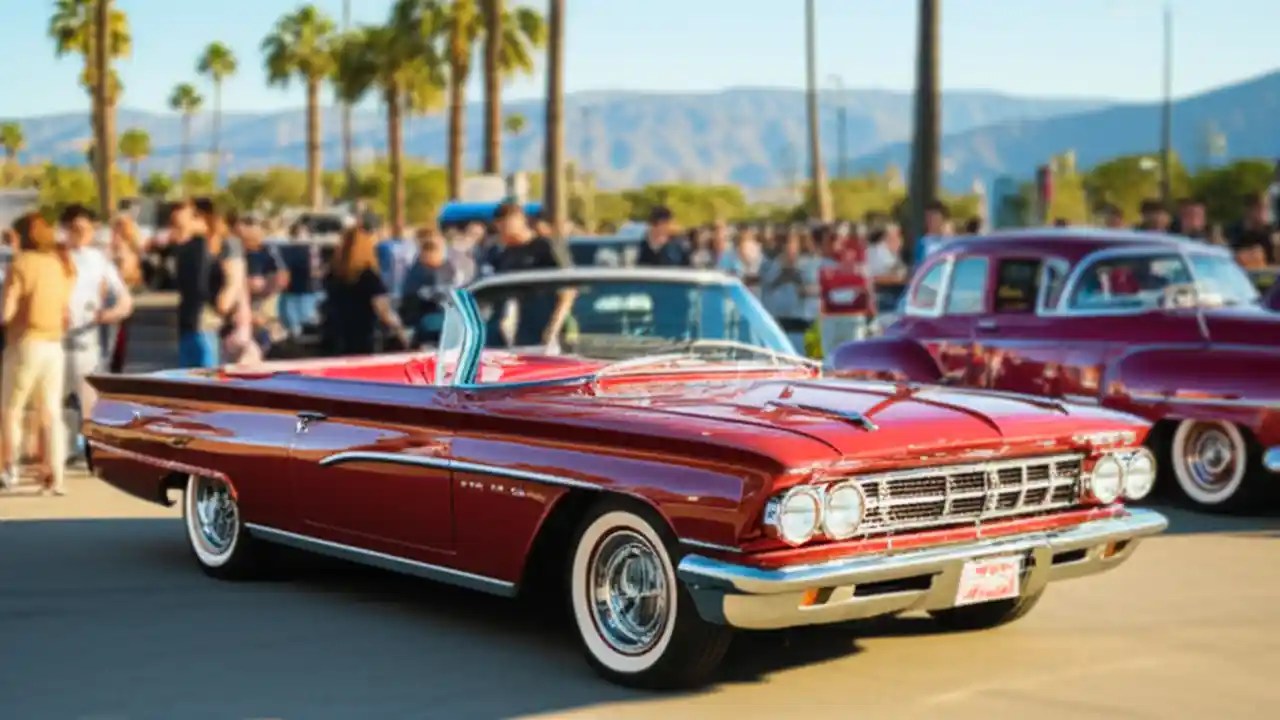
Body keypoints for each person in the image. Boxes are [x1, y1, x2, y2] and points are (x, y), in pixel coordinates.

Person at [1, 214, 75, 494]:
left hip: (25, 343)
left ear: (21, 236)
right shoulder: (57, 264)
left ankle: (10, 468)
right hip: (54, 345)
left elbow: (6, 312)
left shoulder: (20, 264)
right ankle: (55, 474)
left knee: (11, 409)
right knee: (50, 411)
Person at [59, 204, 133, 462]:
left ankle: (93, 451)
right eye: (75, 229)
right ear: (64, 229)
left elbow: (125, 300)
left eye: (85, 229)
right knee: (58, 402)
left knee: (88, 401)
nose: (80, 234)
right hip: (56, 340)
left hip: (86, 340)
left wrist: (108, 314)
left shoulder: (98, 260)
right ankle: (65, 451)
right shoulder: (55, 257)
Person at [490, 200, 576, 348]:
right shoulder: (505, 254)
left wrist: (553, 329)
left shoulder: (546, 247)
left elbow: (568, 291)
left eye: (506, 226)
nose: (503, 232)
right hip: (520, 332)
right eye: (500, 227)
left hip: (549, 329)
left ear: (521, 220)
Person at [171, 198, 245, 368]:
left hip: (209, 319)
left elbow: (234, 280)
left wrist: (223, 304)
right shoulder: (190, 245)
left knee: (208, 368)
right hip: (189, 318)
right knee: (188, 369)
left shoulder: (224, 243)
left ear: (202, 217)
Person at [321, 225, 410, 356]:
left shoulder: (332, 275)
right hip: (363, 337)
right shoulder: (369, 277)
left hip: (336, 336)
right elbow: (383, 310)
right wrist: (400, 330)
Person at [400, 226, 465, 348]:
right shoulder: (417, 273)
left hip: (449, 321)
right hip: (425, 325)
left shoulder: (448, 268)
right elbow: (410, 301)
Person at [236, 213, 288, 357]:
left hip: (261, 308)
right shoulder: (236, 252)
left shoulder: (268, 252)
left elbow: (281, 277)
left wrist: (264, 292)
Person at [760, 230, 821, 352]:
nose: (789, 249)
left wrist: (800, 285)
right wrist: (780, 277)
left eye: (792, 245)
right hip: (779, 322)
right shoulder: (770, 266)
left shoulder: (809, 265)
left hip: (804, 322)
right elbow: (766, 287)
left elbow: (818, 290)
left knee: (805, 357)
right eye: (785, 246)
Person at [1227, 192, 1278, 268]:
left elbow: (1273, 265)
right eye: (1260, 208)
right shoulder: (1233, 231)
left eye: (1267, 207)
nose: (1265, 213)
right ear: (1248, 209)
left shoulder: (1269, 233)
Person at [913, 200, 952, 267]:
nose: (930, 221)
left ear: (942, 219)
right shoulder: (922, 242)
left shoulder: (950, 241)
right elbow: (918, 266)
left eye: (934, 218)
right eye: (928, 217)